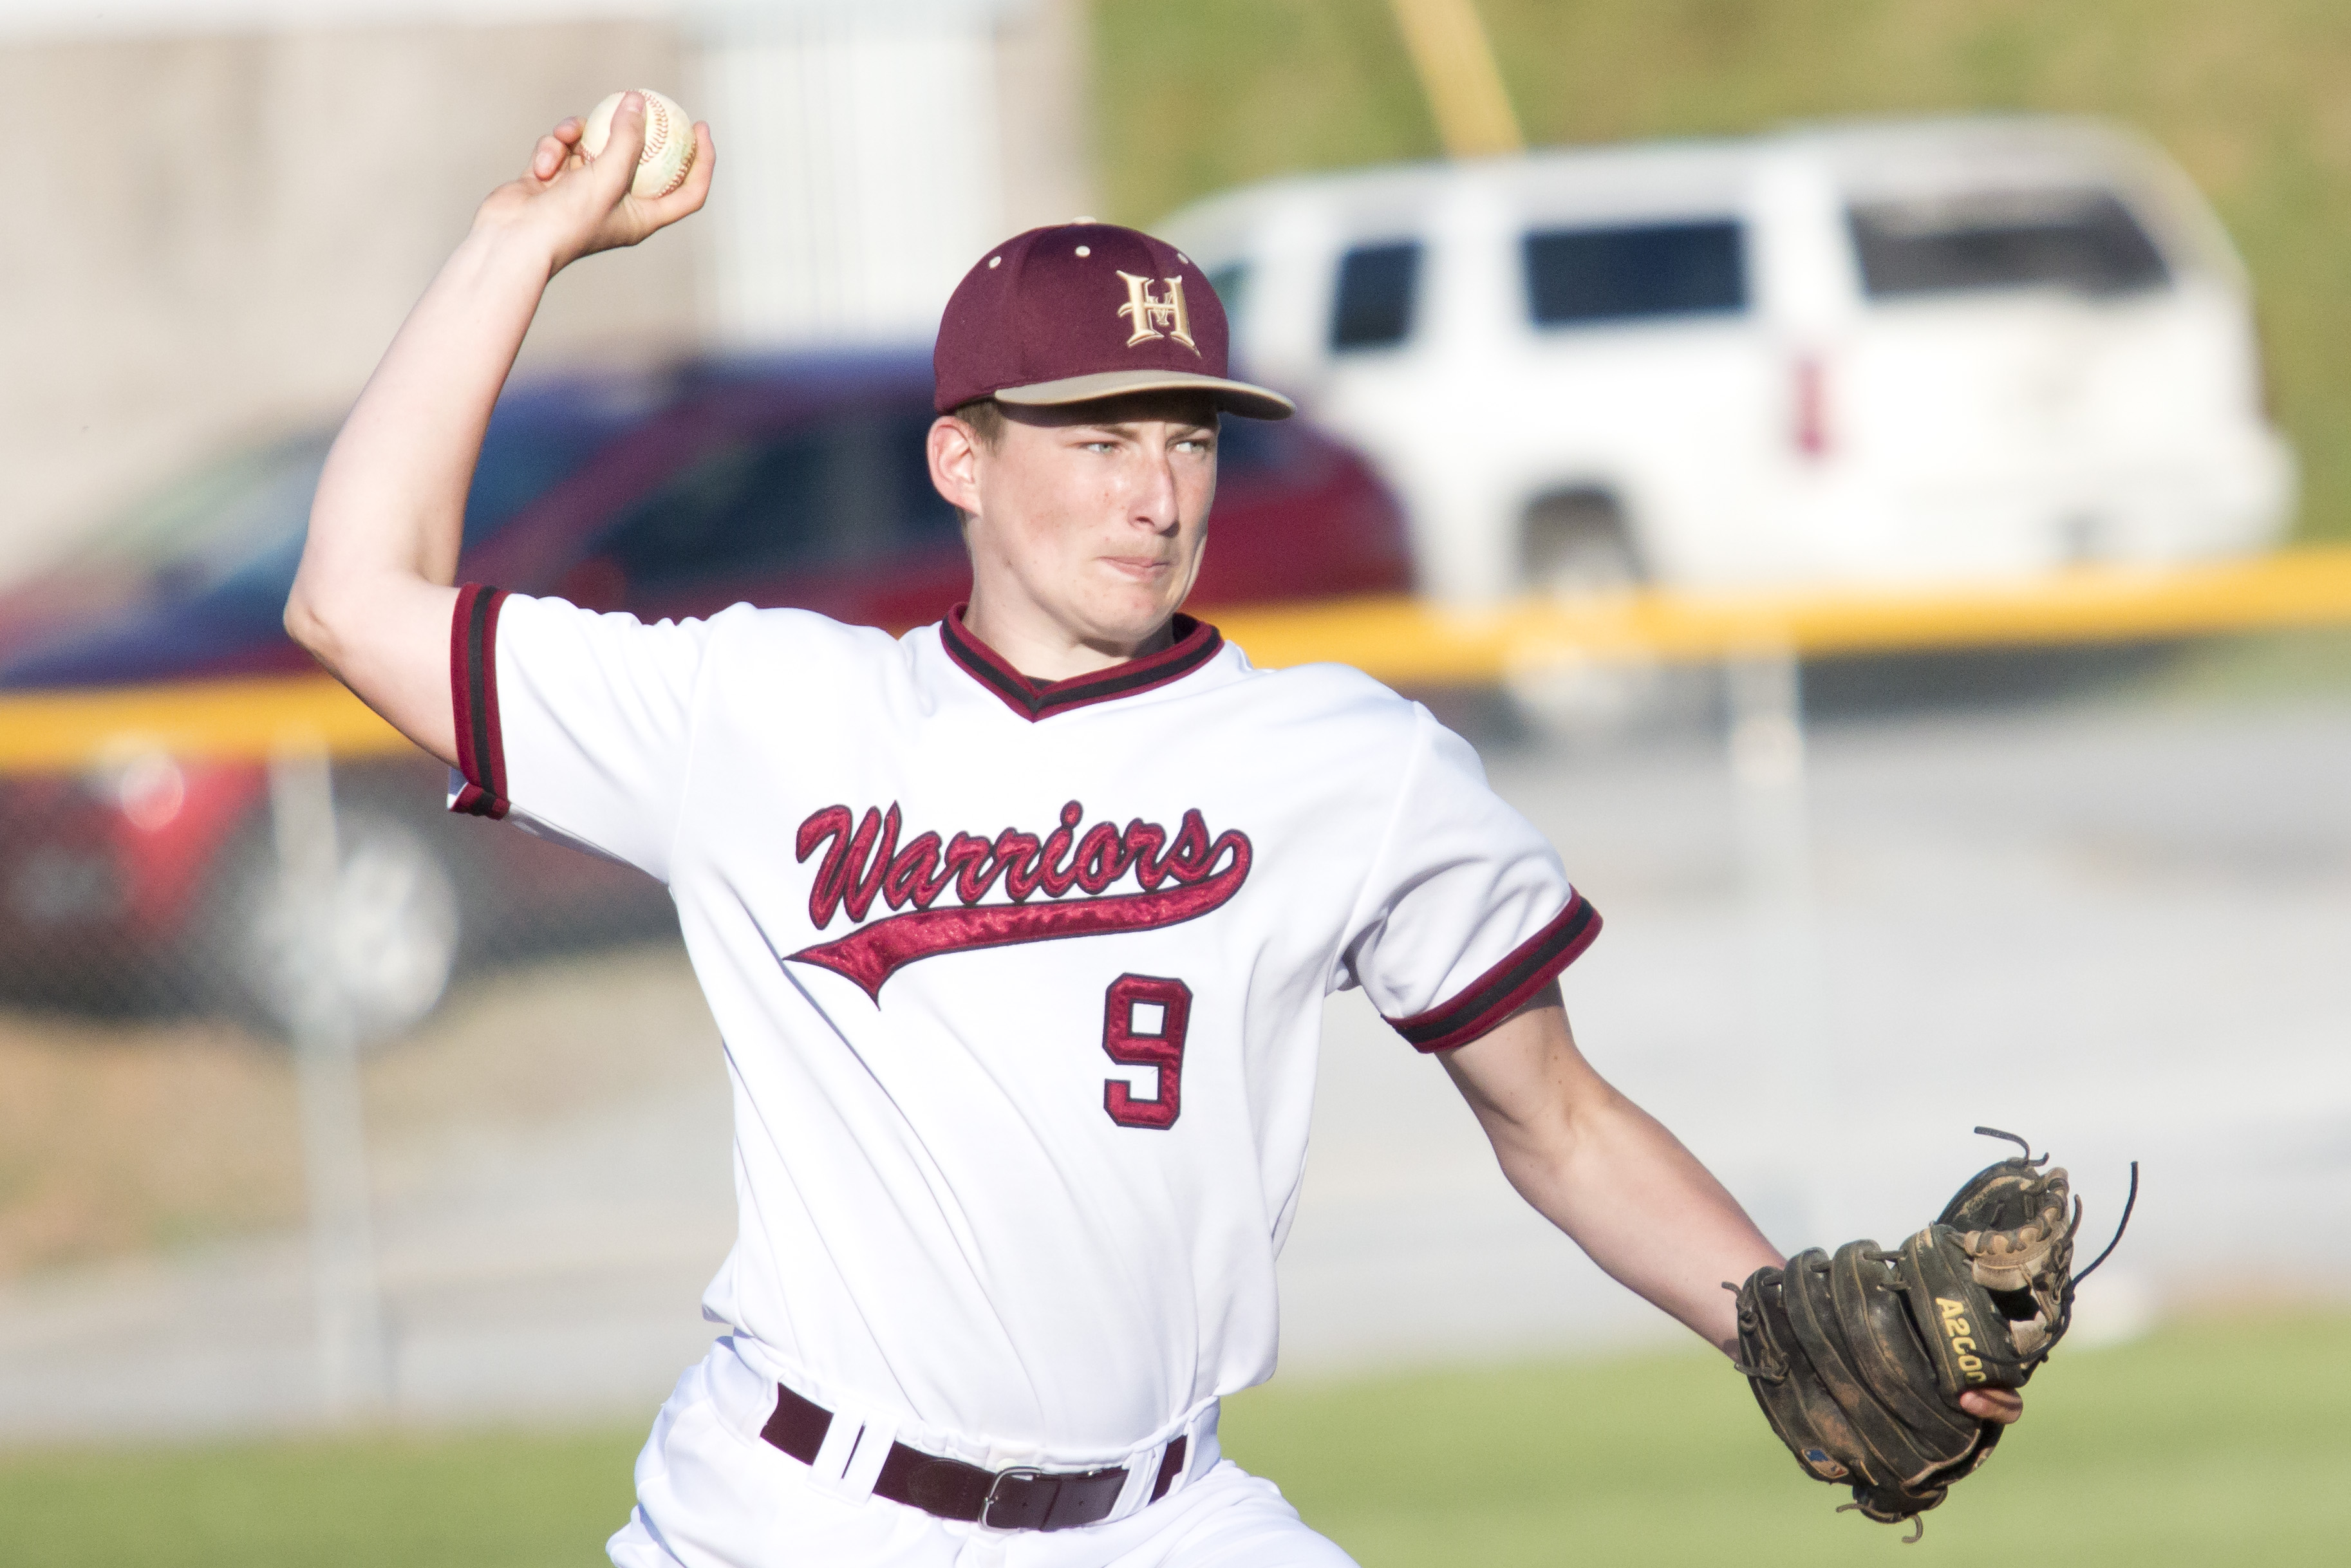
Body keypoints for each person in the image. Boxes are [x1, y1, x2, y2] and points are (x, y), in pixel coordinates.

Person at [286, 96, 2019, 1568]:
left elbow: (1553, 1116)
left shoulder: (1346, 763)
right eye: (1100, 433)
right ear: (959, 460)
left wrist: (1782, 1317)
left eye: (1184, 434)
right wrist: (525, 237)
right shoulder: (762, 712)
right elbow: (356, 597)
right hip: (796, 1509)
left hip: (1163, 1515)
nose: (1155, 489)